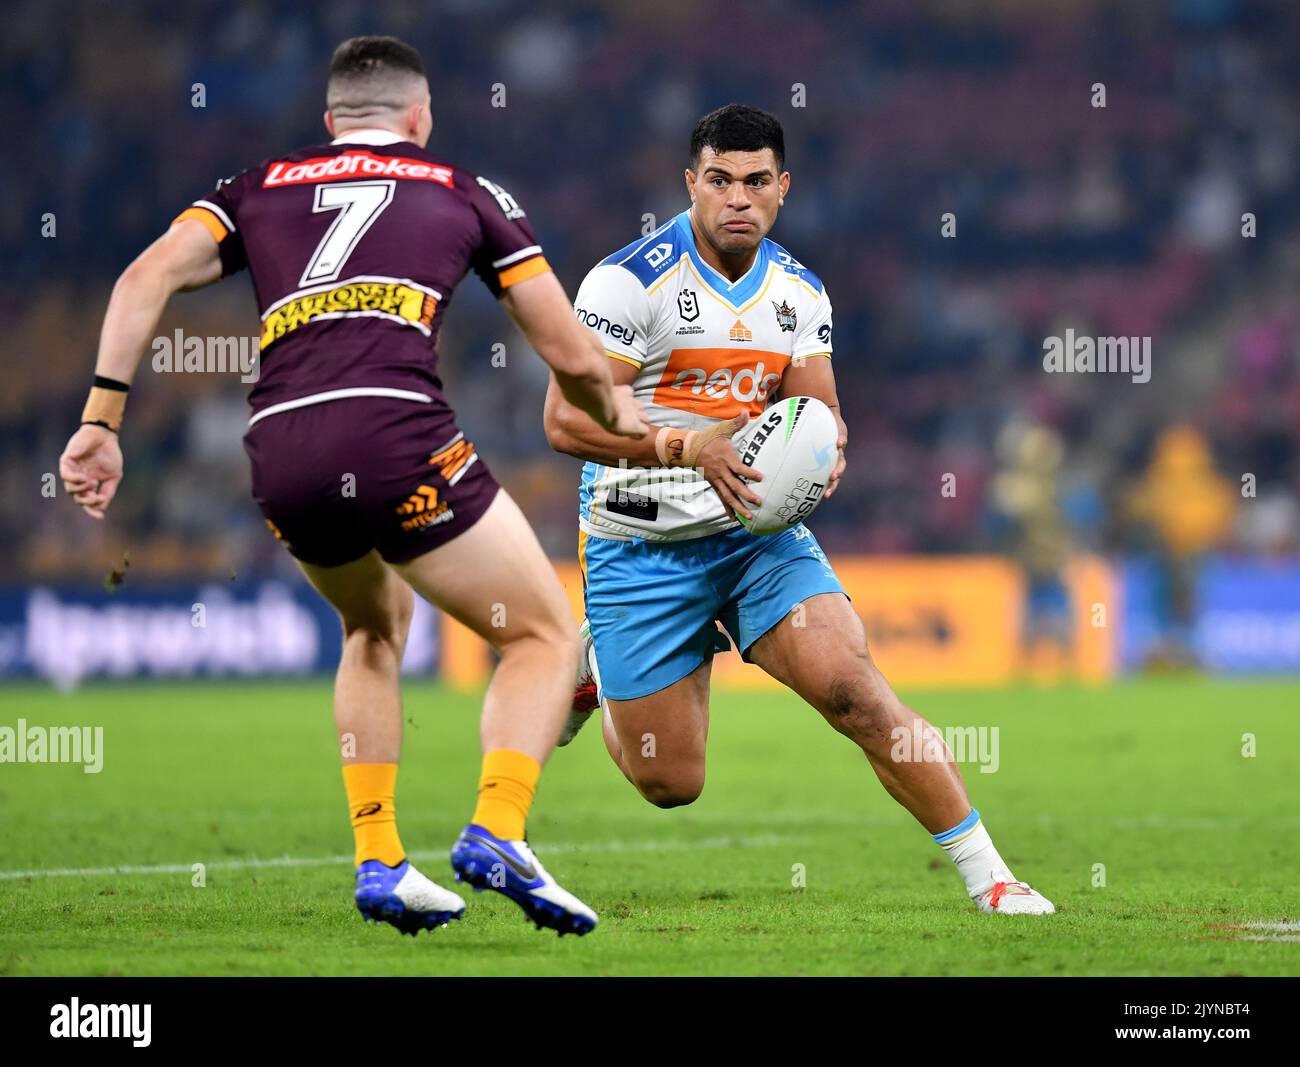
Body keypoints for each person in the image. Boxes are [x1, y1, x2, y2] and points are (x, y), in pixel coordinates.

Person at [58, 36, 646, 938]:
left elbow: (144, 278)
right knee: (542, 634)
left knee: (372, 625)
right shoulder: (462, 190)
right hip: (393, 432)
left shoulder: (254, 186)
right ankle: (497, 830)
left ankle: (379, 860)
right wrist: (622, 416)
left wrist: (101, 421)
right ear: (421, 116)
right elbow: (571, 356)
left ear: (330, 122)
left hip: (280, 445)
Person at [545, 104, 1053, 915]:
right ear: (691, 184)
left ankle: (992, 876)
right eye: (718, 180)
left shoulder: (800, 292)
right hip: (638, 541)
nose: (736, 198)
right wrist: (689, 445)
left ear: (783, 188)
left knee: (855, 689)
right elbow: (566, 420)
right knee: (670, 782)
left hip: (754, 537)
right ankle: (594, 668)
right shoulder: (626, 281)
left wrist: (825, 452)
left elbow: (819, 411)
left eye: (754, 182)